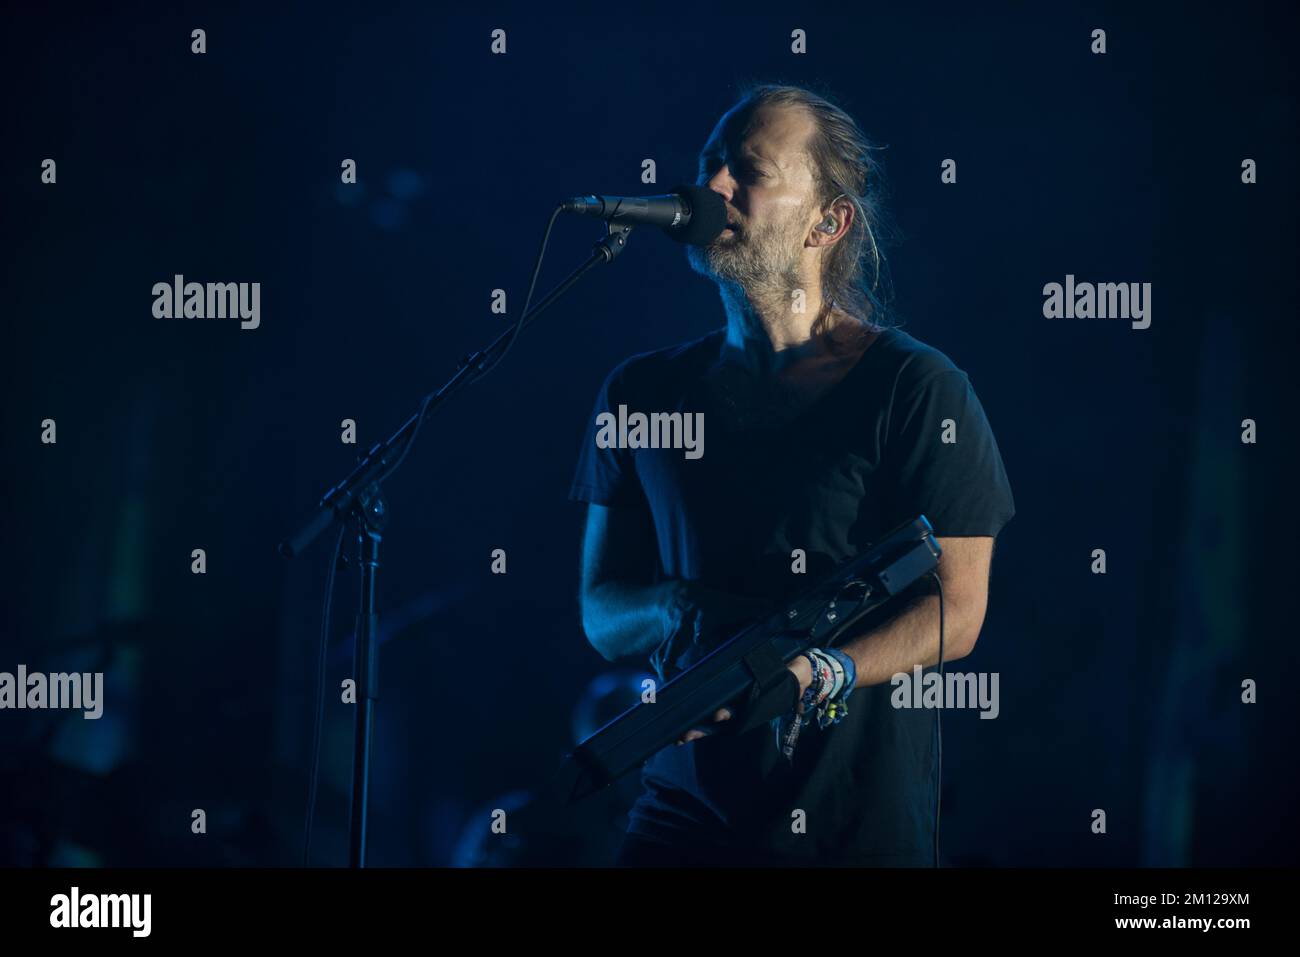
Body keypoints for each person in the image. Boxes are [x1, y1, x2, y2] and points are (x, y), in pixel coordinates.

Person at [570, 84, 1015, 867]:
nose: (711, 188)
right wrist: (680, 608)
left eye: (748, 170)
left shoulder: (916, 387)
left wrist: (819, 670)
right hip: (682, 814)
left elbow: (960, 606)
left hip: (853, 827)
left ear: (827, 221)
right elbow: (601, 613)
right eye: (711, 163)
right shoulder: (640, 392)